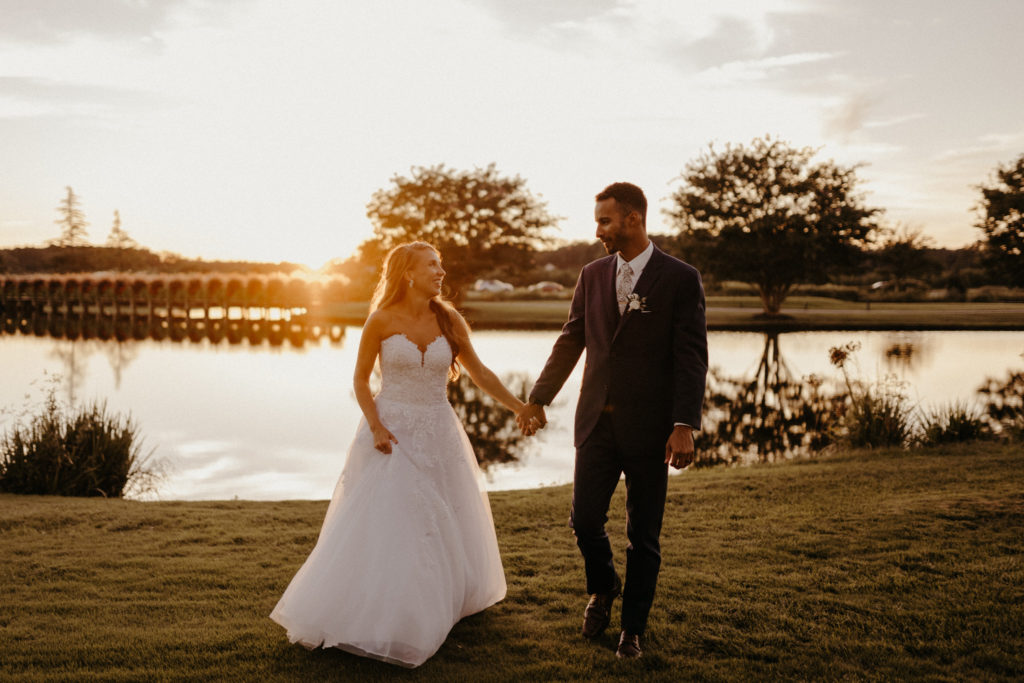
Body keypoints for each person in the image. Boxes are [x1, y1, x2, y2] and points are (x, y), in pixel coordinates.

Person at [271, 241, 527, 668]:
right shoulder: (381, 320)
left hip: (440, 431)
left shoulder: (448, 318)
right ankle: (387, 610)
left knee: (443, 516)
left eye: (440, 265)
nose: (440, 272)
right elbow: (359, 381)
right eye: (431, 265)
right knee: (396, 519)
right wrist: (376, 426)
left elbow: (480, 372)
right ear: (408, 273)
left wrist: (520, 408)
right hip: (392, 432)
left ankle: (439, 601)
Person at [518, 182, 708, 659]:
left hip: (652, 429)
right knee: (584, 521)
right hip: (595, 424)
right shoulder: (592, 273)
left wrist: (684, 423)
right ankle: (603, 587)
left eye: (605, 220)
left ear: (633, 219)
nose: (598, 229)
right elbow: (572, 338)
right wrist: (539, 398)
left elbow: (691, 358)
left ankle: (632, 630)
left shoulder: (680, 278)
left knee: (643, 534)